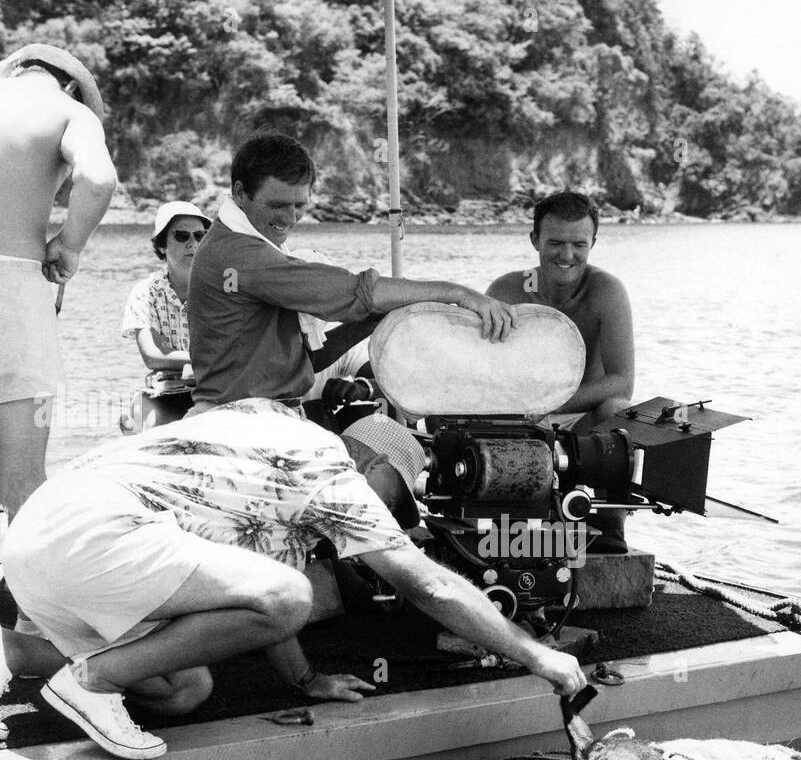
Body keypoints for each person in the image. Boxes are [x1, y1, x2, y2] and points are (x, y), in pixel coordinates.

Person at [1, 399, 585, 760]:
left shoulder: (263, 420)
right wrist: (537, 657)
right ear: (373, 467)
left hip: (36, 539)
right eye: (393, 497)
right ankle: (95, 681)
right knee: (291, 597)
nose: (387, 513)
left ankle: (31, 653)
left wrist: (305, 679)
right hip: (95, 538)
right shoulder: (332, 476)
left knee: (186, 690)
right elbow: (427, 585)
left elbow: (255, 582)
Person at [187, 130, 517, 413]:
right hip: (240, 417)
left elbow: (308, 361)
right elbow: (354, 291)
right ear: (241, 193)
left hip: (270, 409)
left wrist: (379, 314)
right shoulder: (241, 254)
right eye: (276, 206)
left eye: (299, 205)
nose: (289, 219)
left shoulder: (248, 242)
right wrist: (457, 293)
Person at [0, 43, 116, 522]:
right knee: (22, 479)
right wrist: (68, 245)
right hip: (11, 288)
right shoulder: (68, 112)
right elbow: (97, 178)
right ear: (71, 86)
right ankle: (31, 596)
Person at [488, 191, 635, 551]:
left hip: (581, 416)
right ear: (535, 239)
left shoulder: (607, 291)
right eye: (555, 243)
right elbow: (484, 375)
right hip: (520, 418)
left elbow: (622, 381)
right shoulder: (507, 290)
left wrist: (551, 404)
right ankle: (516, 518)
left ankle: (610, 524)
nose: (566, 255)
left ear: (593, 243)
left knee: (618, 410)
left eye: (578, 244)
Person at [122, 201, 211, 374]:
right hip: (167, 393)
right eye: (181, 235)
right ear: (162, 245)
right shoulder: (145, 293)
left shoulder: (224, 289)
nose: (193, 243)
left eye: (200, 235)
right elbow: (153, 356)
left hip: (219, 390)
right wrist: (215, 362)